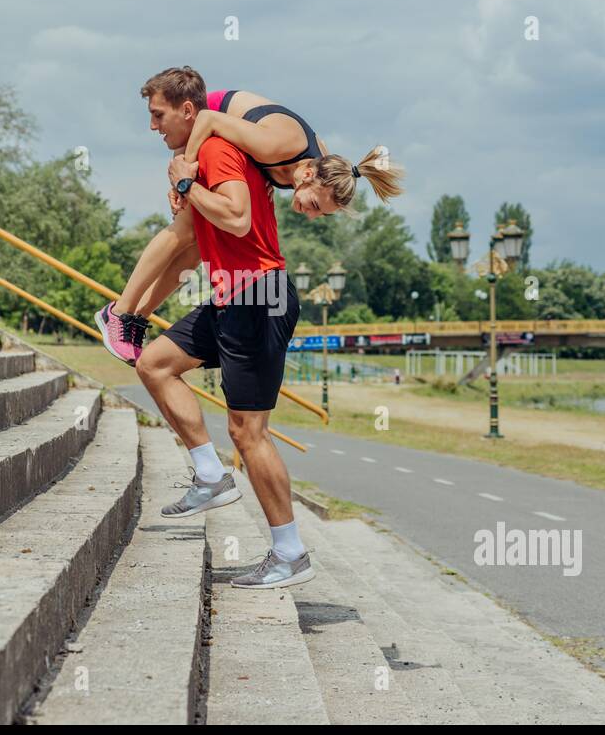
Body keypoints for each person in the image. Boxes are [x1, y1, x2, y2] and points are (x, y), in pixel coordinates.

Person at [132, 72, 313, 589]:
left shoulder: (215, 152)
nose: (152, 126)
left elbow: (236, 217)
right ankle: (211, 476)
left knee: (248, 433)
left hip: (261, 294)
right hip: (235, 295)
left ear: (189, 112)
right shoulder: (205, 154)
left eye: (159, 115)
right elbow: (193, 236)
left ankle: (290, 552)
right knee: (155, 363)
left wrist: (186, 183)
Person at [96, 66, 404, 365]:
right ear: (308, 173)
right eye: (314, 205)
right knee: (186, 228)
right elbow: (207, 119)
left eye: (319, 214)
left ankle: (136, 319)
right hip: (204, 116)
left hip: (218, 128)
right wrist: (182, 177)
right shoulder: (278, 146)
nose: (310, 215)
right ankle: (119, 312)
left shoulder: (316, 169)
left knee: (200, 247)